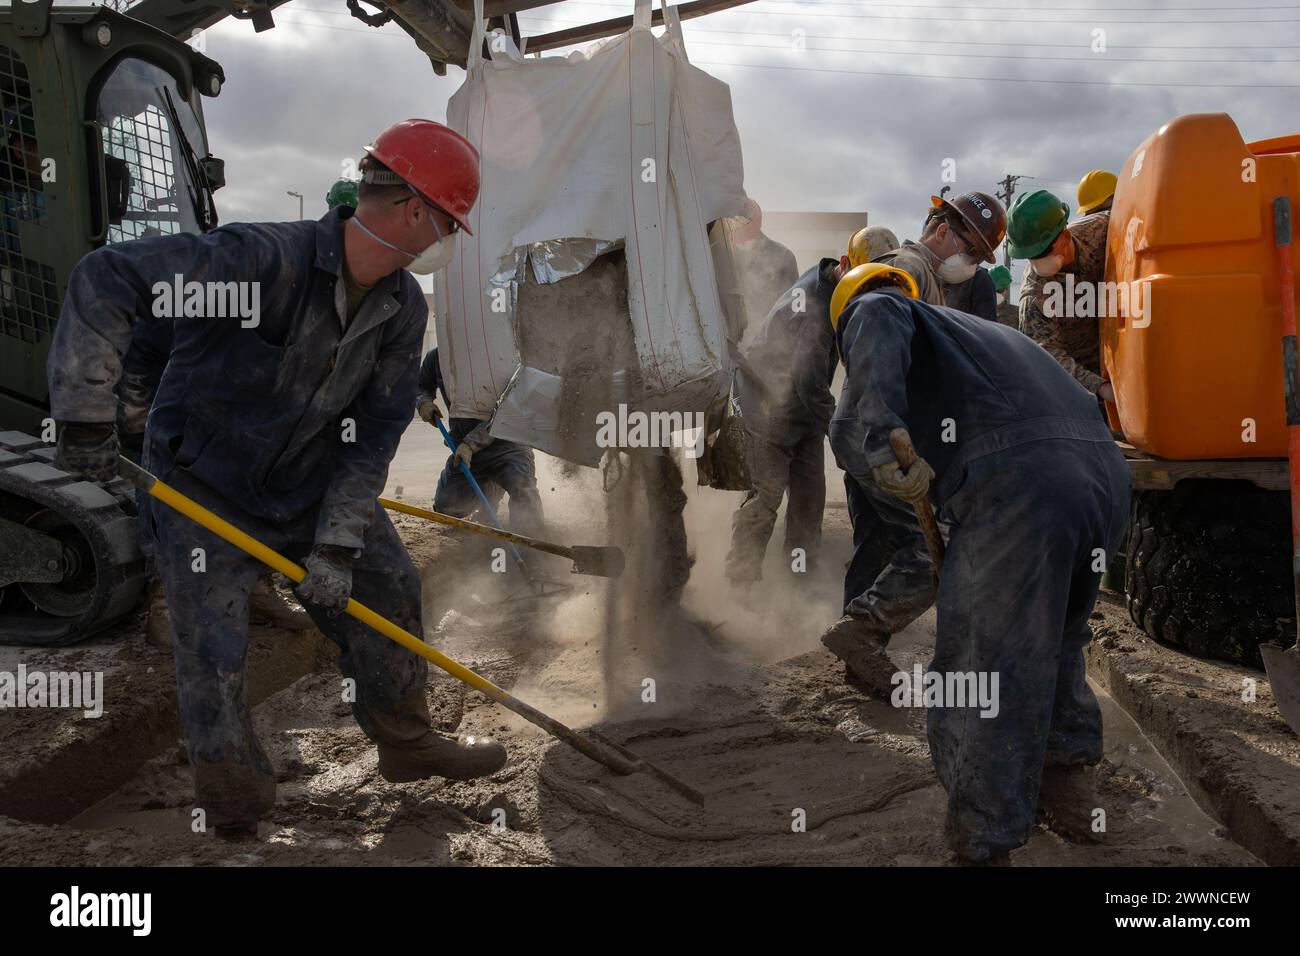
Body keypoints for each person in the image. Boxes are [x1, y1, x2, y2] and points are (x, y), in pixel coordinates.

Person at [47, 119, 507, 839]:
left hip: (308, 487)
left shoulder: (398, 311)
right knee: (213, 652)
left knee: (389, 587)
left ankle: (407, 745)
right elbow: (106, 277)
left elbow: (371, 442)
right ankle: (235, 804)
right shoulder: (259, 260)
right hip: (202, 493)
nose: (445, 240)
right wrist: (83, 417)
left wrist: (334, 545)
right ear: (414, 208)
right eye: (448, 222)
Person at [822, 264, 1130, 864]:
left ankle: (982, 842)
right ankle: (1066, 789)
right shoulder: (983, 336)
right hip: (1104, 478)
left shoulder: (879, 306)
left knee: (983, 663)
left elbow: (877, 313)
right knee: (1057, 637)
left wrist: (881, 436)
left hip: (1022, 484)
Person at [724, 228, 866, 588]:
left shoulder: (832, 281)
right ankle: (740, 589)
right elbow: (809, 383)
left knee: (808, 502)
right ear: (846, 265)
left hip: (802, 416)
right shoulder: (814, 310)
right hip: (768, 410)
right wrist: (842, 434)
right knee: (765, 499)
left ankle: (799, 583)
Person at [416, 347, 545, 538]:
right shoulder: (437, 357)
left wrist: (471, 444)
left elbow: (509, 409)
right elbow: (420, 386)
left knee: (524, 497)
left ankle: (532, 548)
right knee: (447, 507)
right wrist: (423, 402)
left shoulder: (504, 352)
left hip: (509, 447)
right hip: (466, 450)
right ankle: (491, 487)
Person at [1006, 189, 1114, 404]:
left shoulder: (1101, 229)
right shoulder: (1035, 295)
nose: (1037, 261)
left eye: (1043, 251)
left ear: (1065, 235)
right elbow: (1046, 355)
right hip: (1082, 390)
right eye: (1030, 255)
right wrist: (1099, 387)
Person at [874, 191, 1006, 307]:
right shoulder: (906, 270)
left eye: (980, 258)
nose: (973, 264)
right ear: (942, 232)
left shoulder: (928, 277)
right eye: (972, 251)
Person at [728, 198, 799, 337]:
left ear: (759, 220)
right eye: (741, 219)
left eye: (751, 218)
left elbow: (794, 306)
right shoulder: (718, 256)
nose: (746, 225)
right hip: (727, 343)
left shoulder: (783, 256)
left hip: (769, 344)